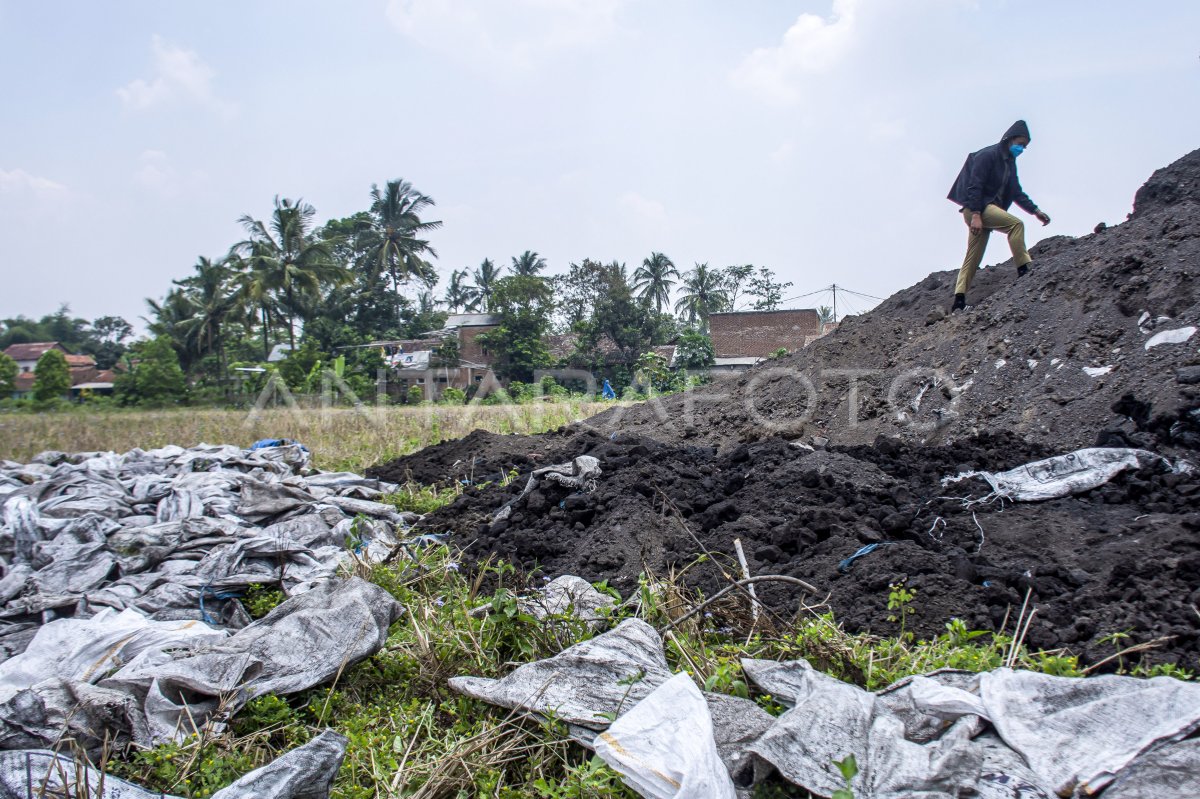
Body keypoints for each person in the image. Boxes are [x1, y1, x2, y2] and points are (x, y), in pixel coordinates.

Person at [946, 120, 1051, 312]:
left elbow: (1016, 192)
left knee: (973, 255)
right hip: (977, 208)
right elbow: (975, 186)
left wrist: (1036, 211)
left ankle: (958, 302)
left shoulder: (1009, 164)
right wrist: (976, 215)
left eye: (1025, 147)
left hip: (985, 211)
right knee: (1016, 225)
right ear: (1010, 139)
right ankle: (1024, 268)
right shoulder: (987, 155)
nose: (1022, 149)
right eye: (1020, 144)